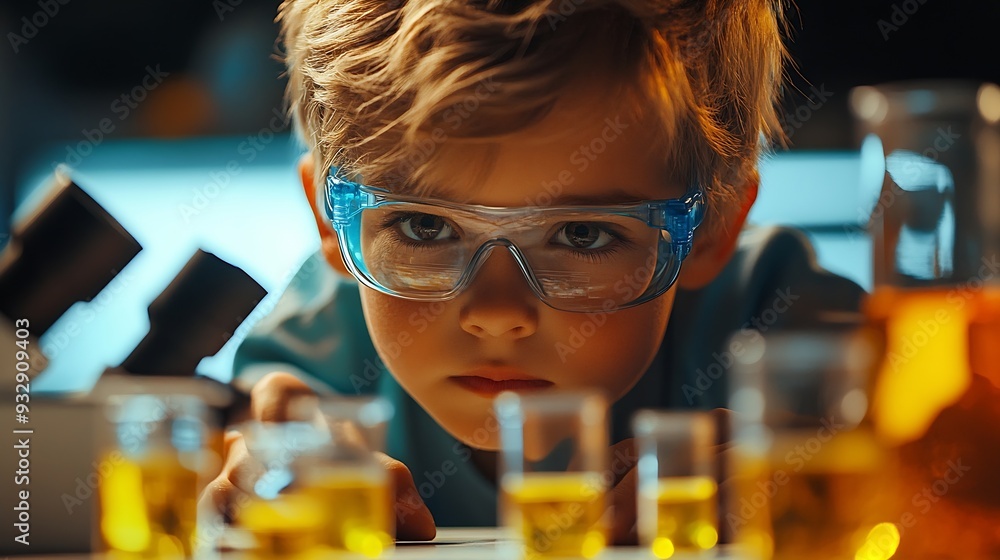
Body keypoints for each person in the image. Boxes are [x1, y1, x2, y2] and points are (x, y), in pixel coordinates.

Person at [203, 0, 864, 544]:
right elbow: (250, 428)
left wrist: (832, 474)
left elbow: (905, 435)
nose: (497, 313)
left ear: (712, 232)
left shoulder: (777, 316)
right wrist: (261, 467)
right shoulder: (321, 344)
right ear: (331, 224)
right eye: (424, 227)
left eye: (582, 234)